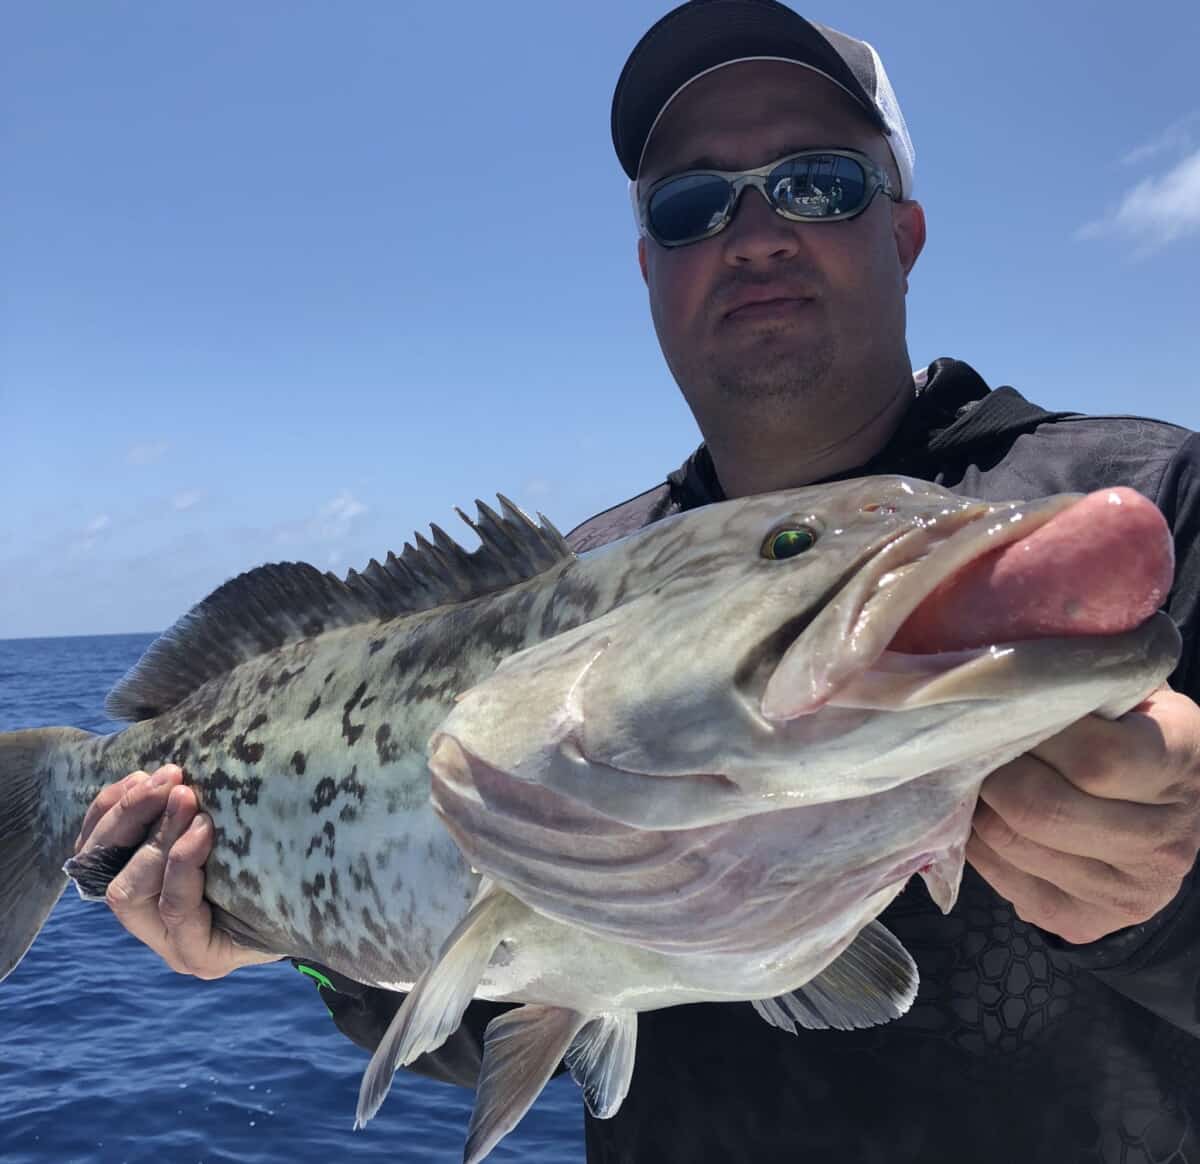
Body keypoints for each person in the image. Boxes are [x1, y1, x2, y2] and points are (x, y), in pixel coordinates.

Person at [77, 1, 1200, 1159]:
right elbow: (491, 1012)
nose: (754, 234)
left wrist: (1168, 902)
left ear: (904, 233)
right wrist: (278, 935)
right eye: (691, 204)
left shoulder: (1147, 496)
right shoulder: (583, 573)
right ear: (650, 269)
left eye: (817, 183)